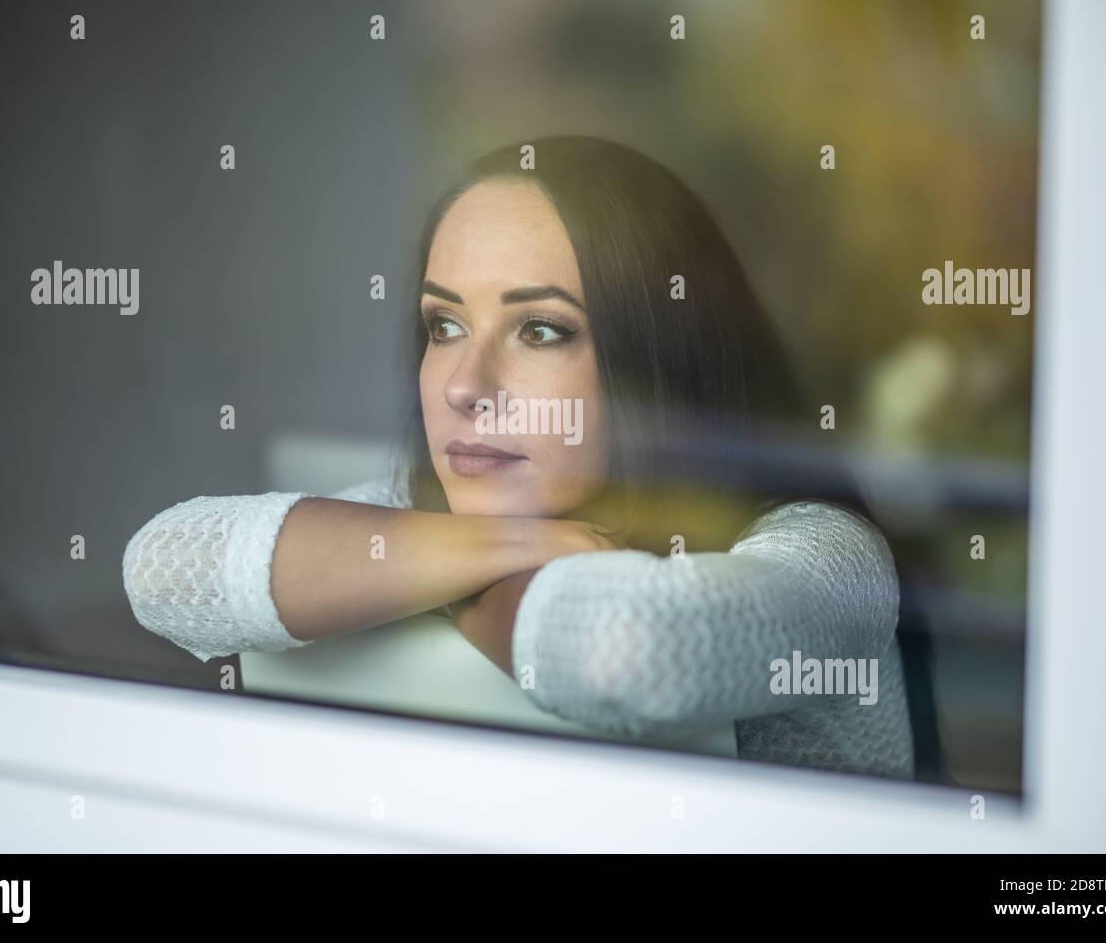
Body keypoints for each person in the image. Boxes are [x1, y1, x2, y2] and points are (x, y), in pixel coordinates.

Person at [122, 135, 914, 779]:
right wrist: (518, 545)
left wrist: (429, 572)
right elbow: (164, 568)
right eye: (444, 326)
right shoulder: (461, 503)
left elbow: (633, 655)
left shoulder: (825, 554)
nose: (464, 385)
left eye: (540, 330)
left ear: (658, 361)